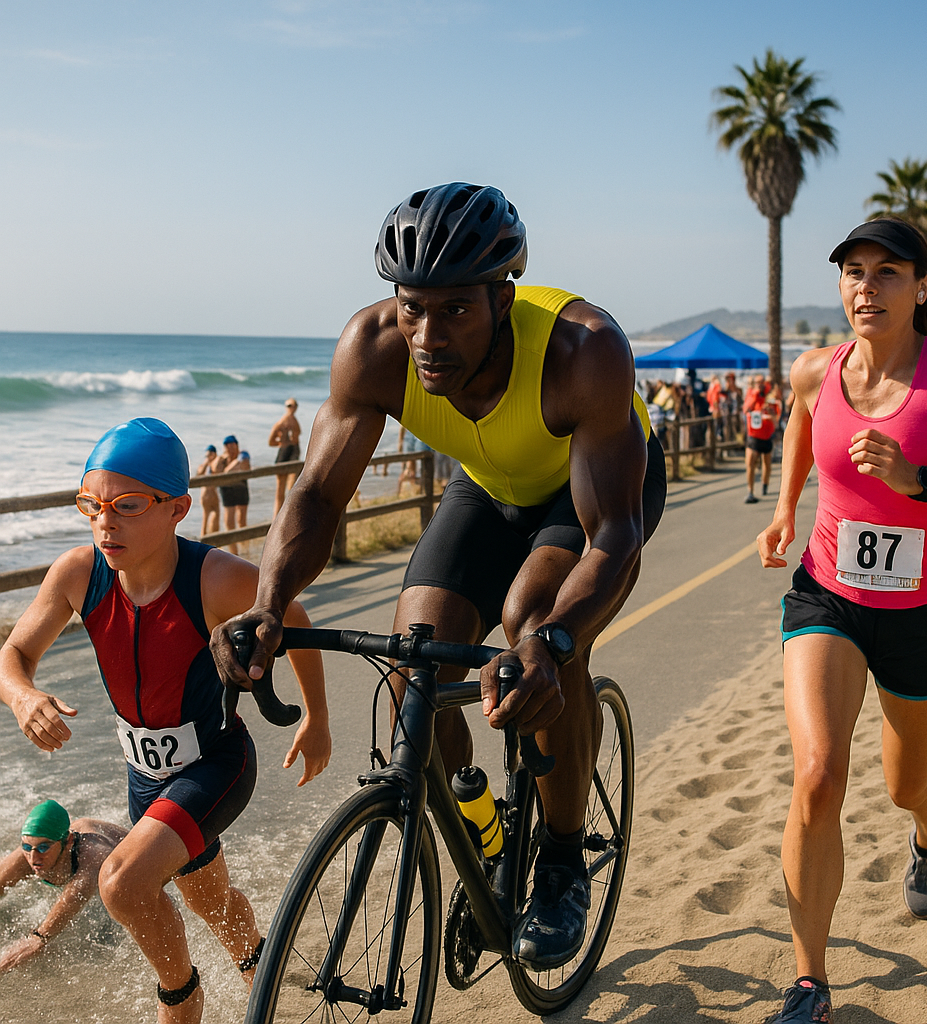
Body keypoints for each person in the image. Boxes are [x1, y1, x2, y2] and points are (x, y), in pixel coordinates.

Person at [211, 182, 666, 973]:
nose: (428, 335)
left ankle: (561, 860)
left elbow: (614, 538)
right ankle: (484, 827)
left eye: (455, 310)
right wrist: (268, 604)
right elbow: (317, 495)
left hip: (595, 495)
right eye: (413, 308)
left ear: (502, 299)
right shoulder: (374, 348)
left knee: (533, 623)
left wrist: (557, 643)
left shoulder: (583, 351)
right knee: (409, 667)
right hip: (489, 488)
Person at [756, 218, 927, 1023]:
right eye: (853, 271)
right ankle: (810, 985)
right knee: (817, 775)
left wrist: (921, 482)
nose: (866, 286)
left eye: (886, 272)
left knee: (907, 784)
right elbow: (803, 423)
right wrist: (785, 507)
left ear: (919, 287)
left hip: (926, 610)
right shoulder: (815, 370)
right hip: (828, 597)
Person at [0, 418, 331, 1024]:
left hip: (215, 764)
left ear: (178, 507)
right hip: (145, 776)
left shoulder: (214, 578)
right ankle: (261, 973)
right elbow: (14, 653)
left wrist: (316, 717)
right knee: (210, 901)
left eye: (128, 505)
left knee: (123, 883)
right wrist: (22, 696)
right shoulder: (79, 574)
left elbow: (296, 619)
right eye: (92, 505)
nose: (106, 522)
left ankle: (181, 998)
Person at [0, 800, 127, 974]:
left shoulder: (92, 856)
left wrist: (38, 938)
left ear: (68, 841)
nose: (33, 858)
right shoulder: (29, 854)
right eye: (27, 846)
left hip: (130, 874)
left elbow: (40, 937)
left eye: (43, 847)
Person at [743, 374, 780, 502]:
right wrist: (755, 396)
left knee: (766, 463)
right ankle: (750, 491)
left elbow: (776, 417)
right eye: (757, 382)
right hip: (753, 434)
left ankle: (765, 484)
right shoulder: (751, 395)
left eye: (761, 382)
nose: (760, 384)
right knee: (750, 462)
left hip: (767, 434)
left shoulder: (770, 397)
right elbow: (746, 410)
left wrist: (769, 412)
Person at [268, 398, 302, 519]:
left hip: (294, 452)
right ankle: (276, 518)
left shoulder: (295, 421)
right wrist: (282, 443)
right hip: (284, 452)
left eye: (294, 405)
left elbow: (297, 435)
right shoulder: (281, 423)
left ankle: (289, 515)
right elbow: (270, 442)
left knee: (293, 485)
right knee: (280, 488)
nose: (292, 408)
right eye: (289, 406)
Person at [216, 436, 250, 555]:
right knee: (229, 522)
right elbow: (215, 470)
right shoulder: (222, 459)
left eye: (232, 445)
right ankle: (234, 553)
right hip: (226, 490)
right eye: (227, 445)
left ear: (237, 445)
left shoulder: (243, 455)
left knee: (241, 520)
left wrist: (227, 468)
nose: (229, 448)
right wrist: (220, 458)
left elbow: (243, 465)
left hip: (240, 488)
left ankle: (245, 549)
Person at [195, 445, 221, 537]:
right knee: (205, 518)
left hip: (214, 495)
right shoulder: (203, 466)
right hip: (205, 496)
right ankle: (204, 538)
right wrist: (207, 462)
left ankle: (214, 537)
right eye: (208, 455)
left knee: (216, 516)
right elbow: (199, 474)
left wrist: (214, 460)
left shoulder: (216, 465)